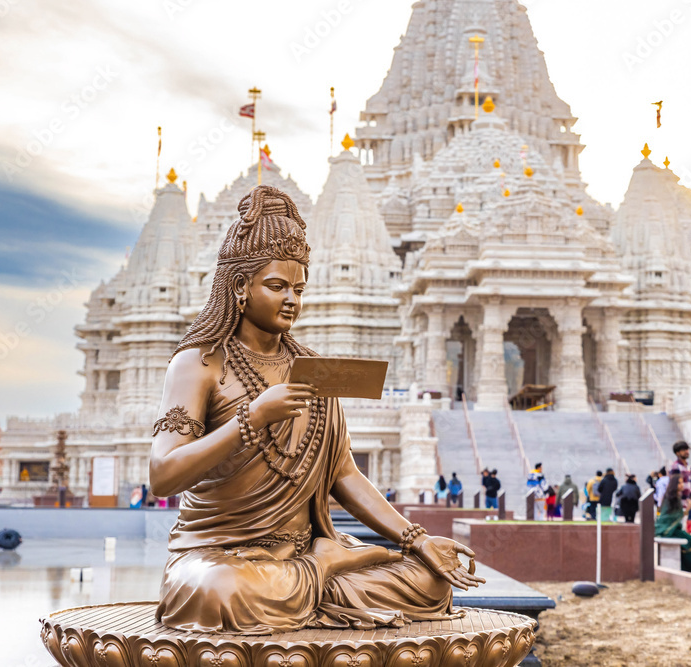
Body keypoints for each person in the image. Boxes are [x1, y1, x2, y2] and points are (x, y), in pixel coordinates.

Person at [148, 186, 482, 633]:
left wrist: (417, 540)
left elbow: (344, 474)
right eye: (277, 286)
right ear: (240, 287)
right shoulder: (199, 364)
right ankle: (324, 568)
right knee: (219, 591)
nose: (292, 299)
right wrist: (253, 418)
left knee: (430, 583)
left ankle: (317, 571)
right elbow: (163, 475)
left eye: (299, 288)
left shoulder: (311, 367)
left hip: (298, 550)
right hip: (219, 554)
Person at [655, 472, 691, 572]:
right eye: (679, 483)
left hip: (673, 528)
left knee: (689, 541)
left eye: (682, 482)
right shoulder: (671, 497)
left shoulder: (676, 496)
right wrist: (686, 510)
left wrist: (687, 510)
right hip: (667, 529)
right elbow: (668, 516)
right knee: (690, 541)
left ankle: (687, 567)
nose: (682, 485)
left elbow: (676, 514)